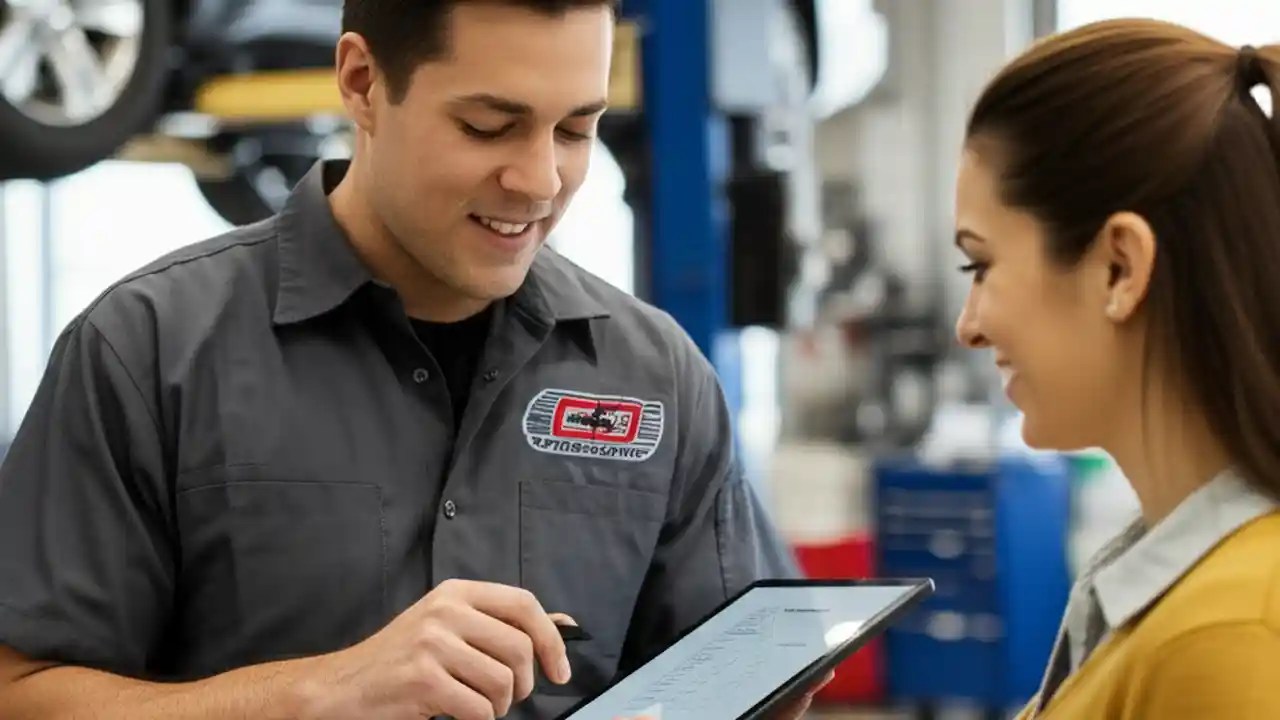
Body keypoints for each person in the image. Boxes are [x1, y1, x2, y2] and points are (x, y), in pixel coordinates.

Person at [0, 2, 825, 718]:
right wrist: (320, 697)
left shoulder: (654, 373)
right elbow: (20, 693)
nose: (540, 180)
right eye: (487, 126)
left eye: (577, 128)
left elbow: (728, 675)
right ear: (361, 82)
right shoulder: (148, 350)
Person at [952, 16, 1280, 719]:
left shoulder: (1227, 640)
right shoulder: (1178, 596)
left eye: (980, 265)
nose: (968, 325)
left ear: (1119, 268)